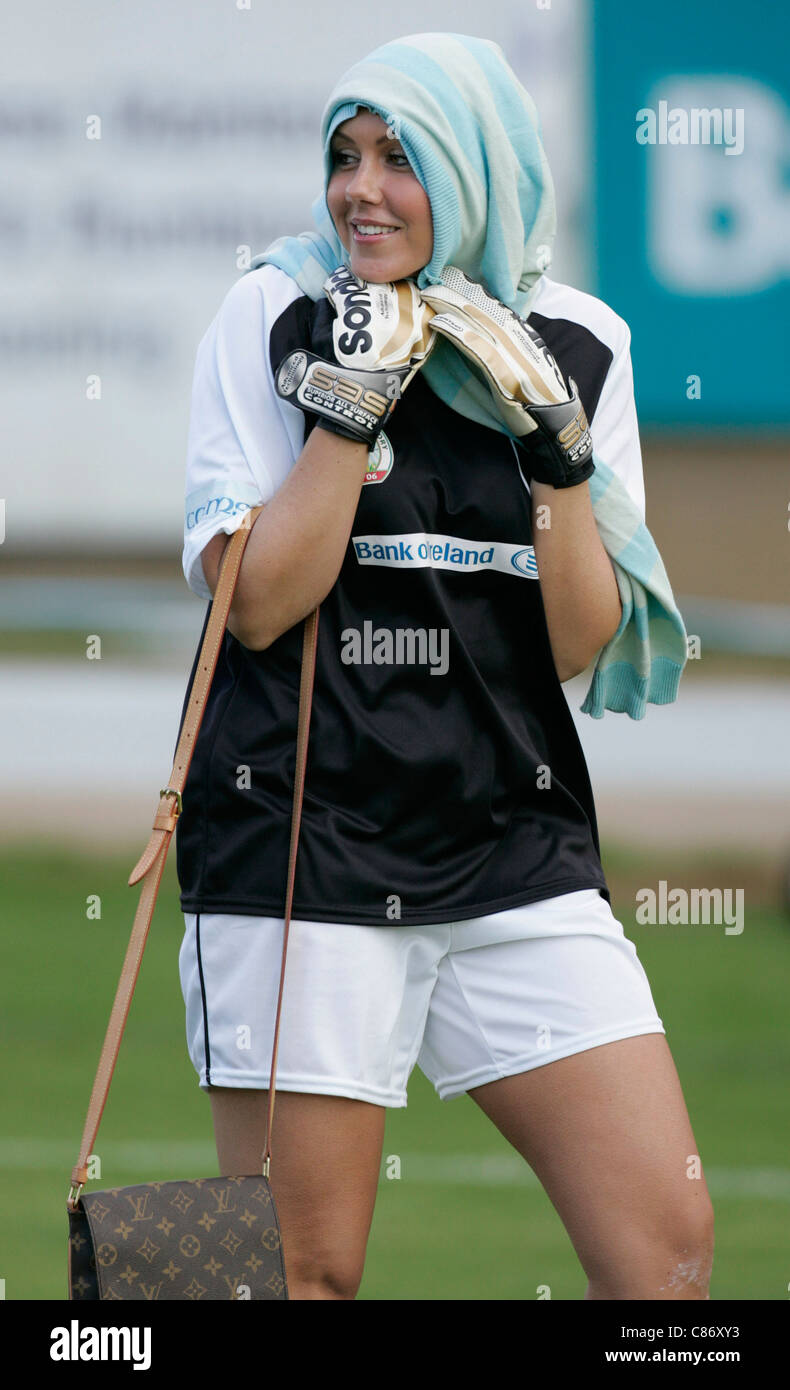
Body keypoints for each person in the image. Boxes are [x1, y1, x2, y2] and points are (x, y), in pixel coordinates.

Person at [175, 32, 713, 1301]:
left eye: (400, 158)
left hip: (513, 850)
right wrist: (343, 410)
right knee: (299, 1276)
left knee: (670, 1265)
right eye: (343, 157)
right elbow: (255, 607)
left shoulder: (577, 339)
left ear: (478, 171)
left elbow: (574, 646)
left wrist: (561, 469)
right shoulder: (272, 311)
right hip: (305, 848)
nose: (360, 189)